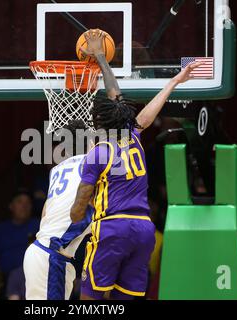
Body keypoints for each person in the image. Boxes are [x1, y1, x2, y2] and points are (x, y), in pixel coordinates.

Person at [70, 29, 203, 300]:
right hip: (143, 229)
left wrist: (80, 204)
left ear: (98, 123)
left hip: (113, 228)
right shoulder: (133, 135)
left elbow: (76, 212)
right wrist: (174, 81)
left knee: (89, 299)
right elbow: (119, 97)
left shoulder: (97, 154)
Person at [23, 120, 93, 300]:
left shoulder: (56, 170)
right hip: (52, 256)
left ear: (65, 148)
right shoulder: (92, 165)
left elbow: (45, 212)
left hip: (41, 251)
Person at [0, 190, 40, 281]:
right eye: (19, 202)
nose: (24, 206)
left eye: (28, 203)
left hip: (35, 279)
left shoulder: (39, 226)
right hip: (3, 281)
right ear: (11, 206)